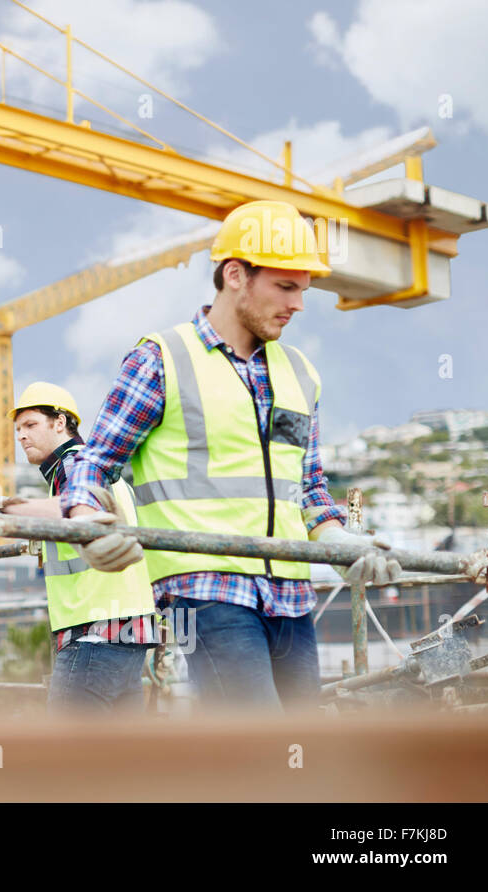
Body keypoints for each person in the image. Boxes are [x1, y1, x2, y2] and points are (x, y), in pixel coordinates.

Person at [59, 200, 401, 712]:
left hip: (289, 590)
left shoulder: (299, 373)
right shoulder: (161, 359)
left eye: (303, 290)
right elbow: (93, 462)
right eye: (286, 287)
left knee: (301, 749)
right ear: (235, 274)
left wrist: (341, 544)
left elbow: (307, 489)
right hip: (204, 588)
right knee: (258, 742)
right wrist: (86, 524)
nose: (299, 305)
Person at [0, 382, 157, 712]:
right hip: (129, 633)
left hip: (94, 633)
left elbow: (72, 507)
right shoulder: (106, 473)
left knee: (64, 750)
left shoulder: (74, 464)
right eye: (18, 429)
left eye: (30, 425)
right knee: (117, 756)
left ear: (60, 423)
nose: (21, 436)